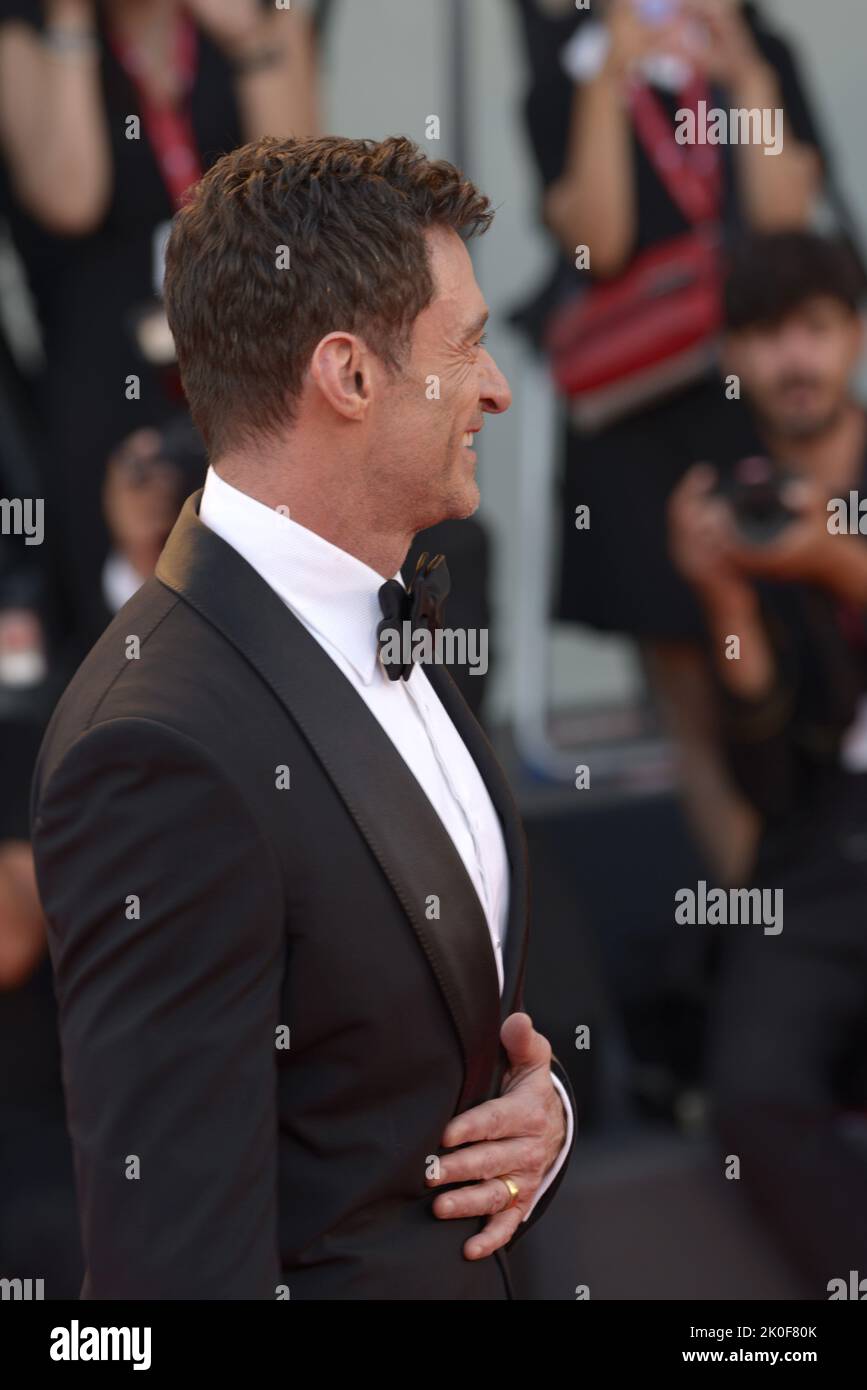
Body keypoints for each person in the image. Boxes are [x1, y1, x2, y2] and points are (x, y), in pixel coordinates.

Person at [30, 135, 577, 1301]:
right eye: (466, 344)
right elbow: (169, 1266)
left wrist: (541, 1115)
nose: (498, 386)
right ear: (350, 374)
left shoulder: (394, 601)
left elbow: (418, 1032)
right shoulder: (158, 748)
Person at [512, 0, 824, 881]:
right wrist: (607, 74)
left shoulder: (756, 56)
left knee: (791, 645)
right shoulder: (566, 72)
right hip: (635, 414)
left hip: (755, 403)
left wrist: (746, 76)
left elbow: (784, 218)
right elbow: (596, 242)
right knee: (686, 687)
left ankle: (810, 895)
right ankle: (746, 911)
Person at [668, 231, 867, 1293]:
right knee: (749, 1090)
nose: (795, 359)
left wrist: (834, 557)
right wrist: (728, 602)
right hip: (818, 849)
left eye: (817, 329)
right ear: (738, 353)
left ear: (856, 336)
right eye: (769, 335)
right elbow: (765, 774)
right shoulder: (727, 498)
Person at [0, 0, 318, 654]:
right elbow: (69, 196)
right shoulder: (26, 36)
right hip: (99, 378)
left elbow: (301, 207)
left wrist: (250, 39)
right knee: (124, 636)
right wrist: (69, 24)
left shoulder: (260, 20)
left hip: (245, 363)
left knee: (276, 623)